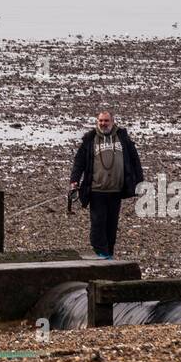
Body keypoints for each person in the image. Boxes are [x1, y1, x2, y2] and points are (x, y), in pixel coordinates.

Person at [69, 109, 144, 258]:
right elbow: (79, 162)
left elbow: (135, 160)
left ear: (112, 121)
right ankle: (101, 253)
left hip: (116, 191)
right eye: (101, 121)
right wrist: (74, 180)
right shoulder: (90, 139)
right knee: (98, 224)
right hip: (97, 190)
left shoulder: (123, 138)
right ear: (97, 122)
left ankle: (109, 253)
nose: (103, 124)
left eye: (106, 121)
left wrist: (139, 182)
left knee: (111, 225)